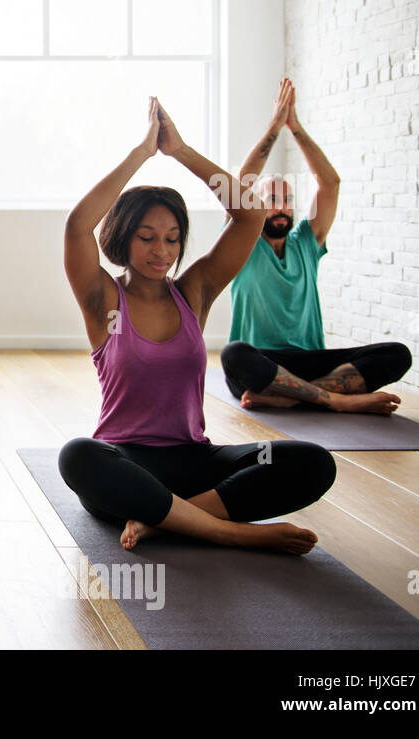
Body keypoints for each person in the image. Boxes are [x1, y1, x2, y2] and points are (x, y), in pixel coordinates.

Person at [57, 97, 336, 555]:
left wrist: (181, 151)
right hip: (125, 463)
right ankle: (228, 531)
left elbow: (250, 215)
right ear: (123, 238)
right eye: (147, 237)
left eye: (172, 239)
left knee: (310, 461)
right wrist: (143, 153)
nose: (161, 251)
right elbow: (77, 226)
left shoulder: (194, 293)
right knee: (77, 456)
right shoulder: (104, 300)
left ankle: (165, 522)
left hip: (196, 460)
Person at [222, 77, 410, 415]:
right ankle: (337, 401)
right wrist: (276, 125)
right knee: (233, 355)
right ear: (255, 205)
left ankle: (295, 396)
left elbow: (330, 183)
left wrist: (296, 128)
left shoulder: (306, 242)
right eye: (272, 200)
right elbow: (243, 181)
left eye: (288, 200)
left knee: (397, 354)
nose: (281, 207)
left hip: (311, 360)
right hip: (264, 360)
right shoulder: (242, 242)